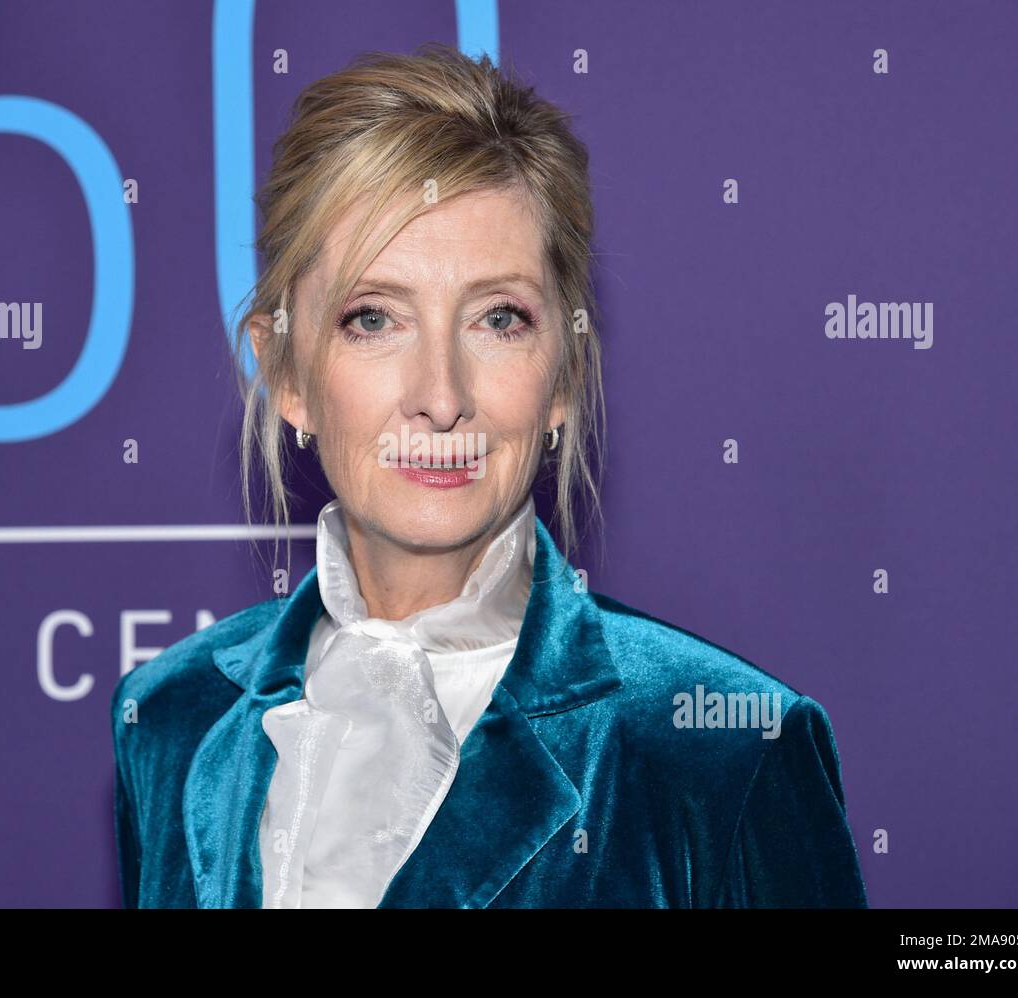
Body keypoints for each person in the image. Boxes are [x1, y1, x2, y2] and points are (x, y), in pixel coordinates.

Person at [110, 44, 869, 909]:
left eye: (499, 318)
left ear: (565, 374)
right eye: (373, 318)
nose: (441, 396)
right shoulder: (170, 717)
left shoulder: (723, 748)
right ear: (286, 374)